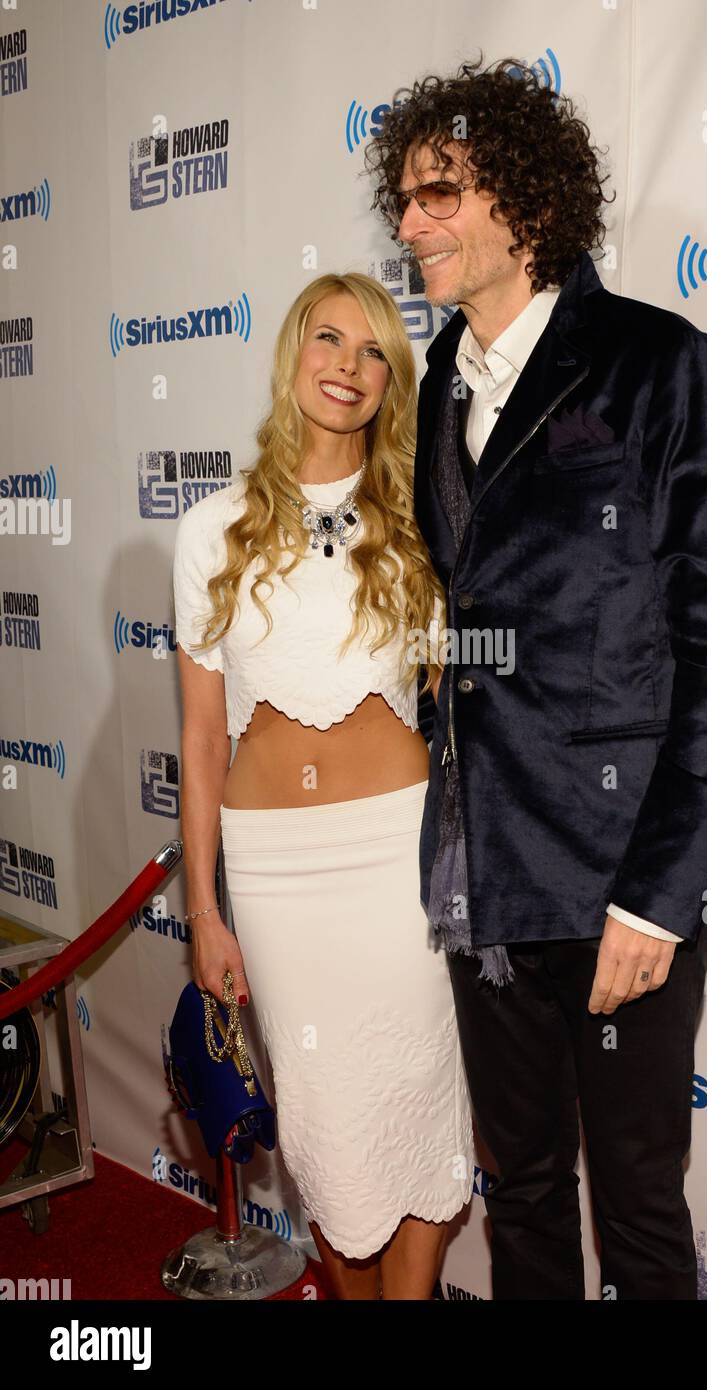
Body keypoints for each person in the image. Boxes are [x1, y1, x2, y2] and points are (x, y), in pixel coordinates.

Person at [365, 57, 707, 1299]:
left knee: (640, 1211)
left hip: (618, 881)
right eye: (402, 198)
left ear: (526, 205)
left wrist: (657, 899)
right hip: (484, 875)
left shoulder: (660, 365)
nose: (409, 223)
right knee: (525, 1192)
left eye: (439, 193)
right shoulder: (437, 382)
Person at [171, 271, 473, 1300]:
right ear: (291, 352)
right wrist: (202, 910)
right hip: (280, 881)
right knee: (329, 1140)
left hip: (403, 864)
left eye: (373, 349)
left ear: (393, 379)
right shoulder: (211, 529)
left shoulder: (424, 522)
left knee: (424, 1114)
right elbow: (202, 738)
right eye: (327, 339)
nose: (347, 366)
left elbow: (459, 710)